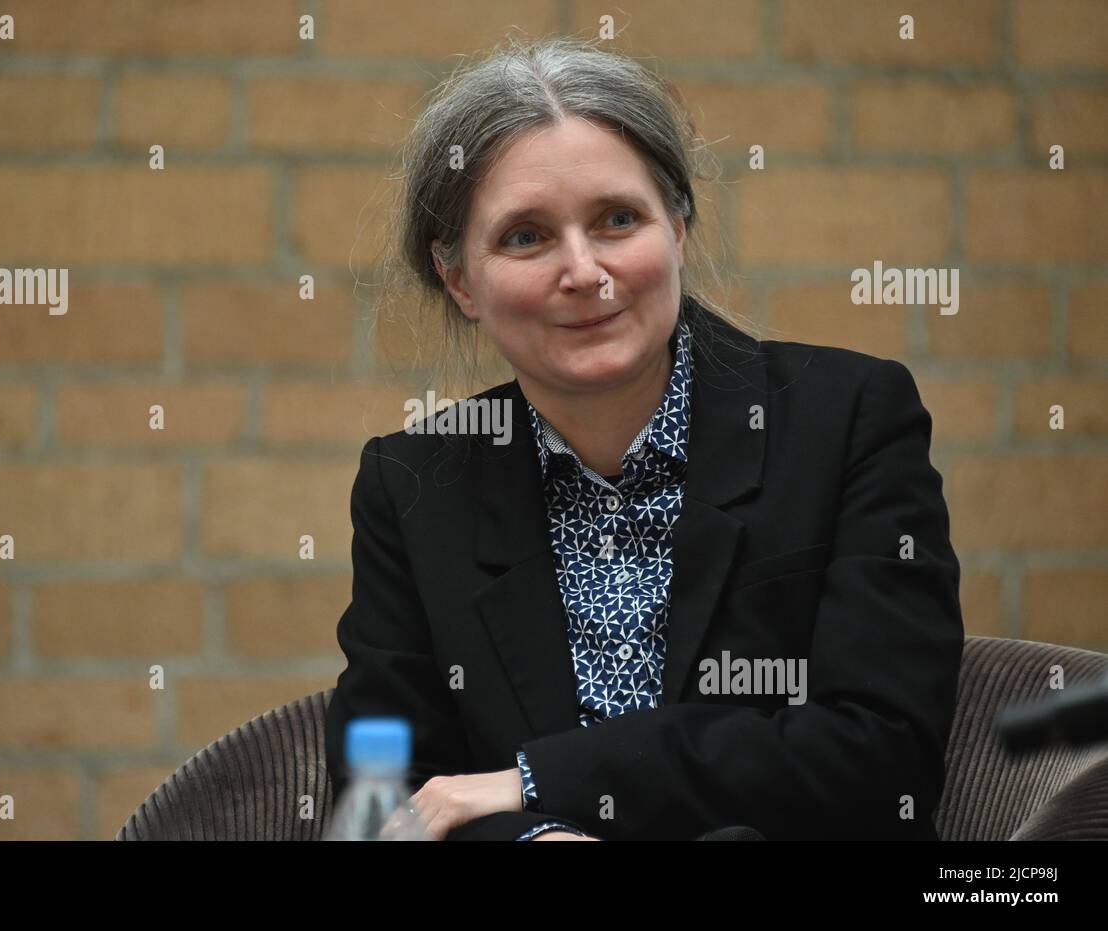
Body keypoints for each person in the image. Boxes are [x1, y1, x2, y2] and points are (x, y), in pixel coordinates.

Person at [324, 35, 963, 841]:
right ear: (460, 281)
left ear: (679, 226)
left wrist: (540, 780)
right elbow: (388, 790)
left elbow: (881, 753)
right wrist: (538, 840)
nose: (584, 269)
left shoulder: (849, 419)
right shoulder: (414, 483)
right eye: (526, 236)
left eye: (618, 219)